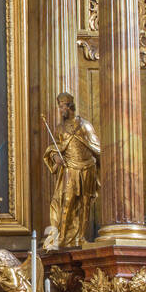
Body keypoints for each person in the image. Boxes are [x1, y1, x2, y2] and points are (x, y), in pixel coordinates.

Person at [43, 91, 100, 248]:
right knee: (67, 201)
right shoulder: (59, 128)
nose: (61, 110)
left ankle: (81, 236)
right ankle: (62, 236)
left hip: (87, 167)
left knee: (86, 202)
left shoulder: (85, 125)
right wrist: (55, 157)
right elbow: (55, 148)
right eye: (59, 107)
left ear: (70, 107)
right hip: (70, 168)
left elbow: (96, 146)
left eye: (63, 107)